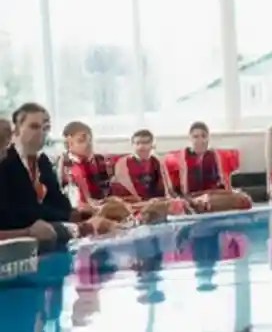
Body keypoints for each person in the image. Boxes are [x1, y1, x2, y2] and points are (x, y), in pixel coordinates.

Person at [0, 103, 80, 248]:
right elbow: (11, 212)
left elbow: (62, 205)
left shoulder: (43, 161)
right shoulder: (5, 160)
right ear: (16, 130)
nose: (41, 133)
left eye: (46, 128)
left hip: (45, 232)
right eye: (34, 127)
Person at [61, 121, 158, 225]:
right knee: (119, 207)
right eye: (81, 141)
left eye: (90, 140)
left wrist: (122, 200)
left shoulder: (99, 161)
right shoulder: (68, 166)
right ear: (69, 144)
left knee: (153, 204)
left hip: (103, 205)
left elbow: (107, 193)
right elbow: (78, 204)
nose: (88, 144)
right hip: (86, 213)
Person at [173, 122, 253, 213]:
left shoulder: (213, 155)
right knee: (193, 204)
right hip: (193, 196)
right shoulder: (183, 157)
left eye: (204, 136)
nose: (200, 140)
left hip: (214, 195)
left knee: (245, 199)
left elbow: (220, 185)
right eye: (196, 137)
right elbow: (180, 190)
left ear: (208, 138)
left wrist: (231, 193)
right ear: (190, 139)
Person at [111, 129, 190, 216]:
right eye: (138, 143)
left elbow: (168, 191)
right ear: (132, 145)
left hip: (158, 205)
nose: (141, 147)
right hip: (133, 207)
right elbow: (120, 197)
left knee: (180, 204)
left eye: (145, 143)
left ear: (152, 145)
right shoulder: (122, 164)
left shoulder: (158, 162)